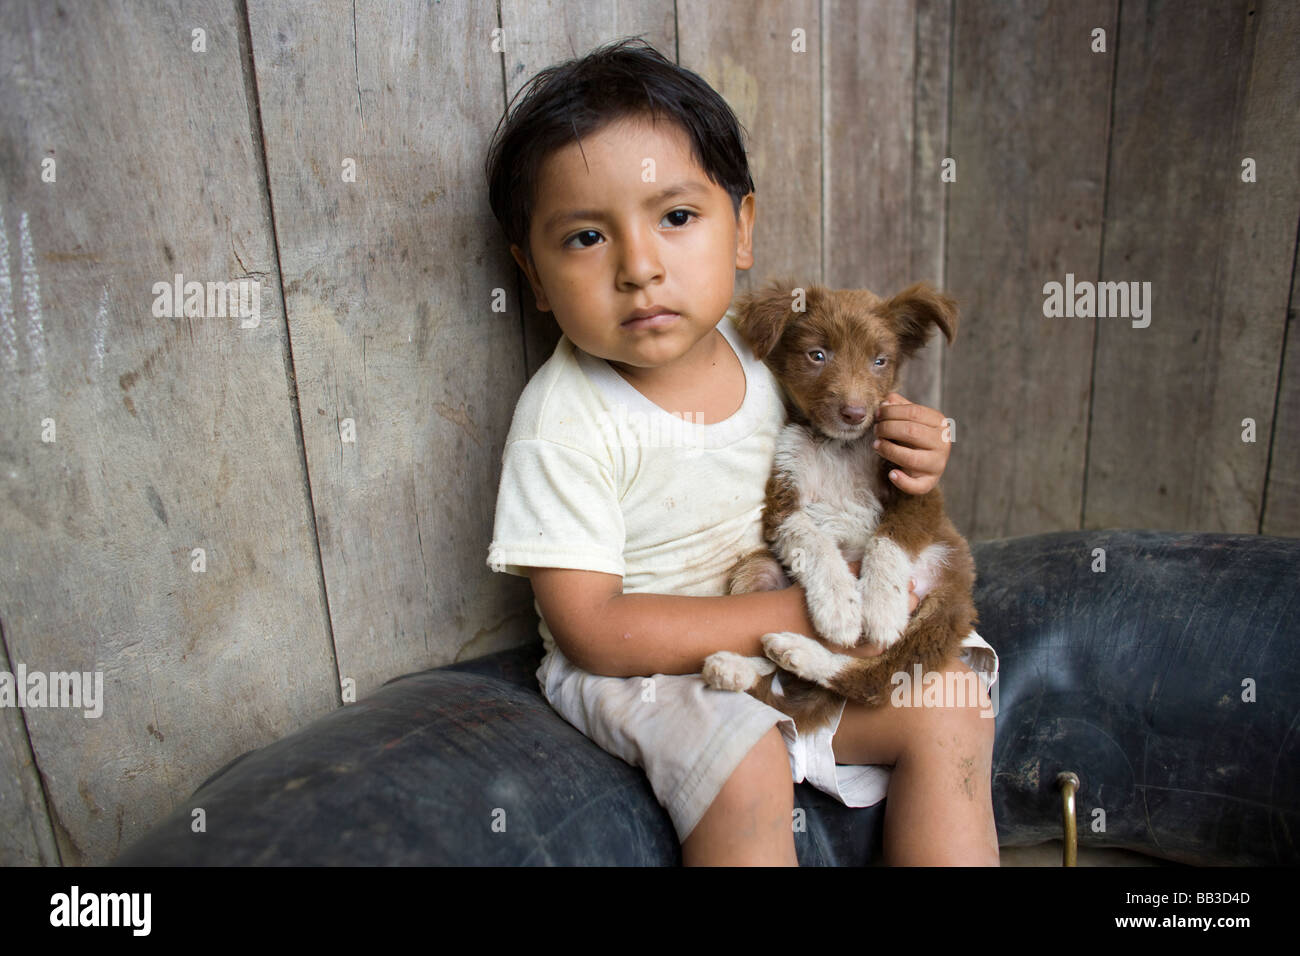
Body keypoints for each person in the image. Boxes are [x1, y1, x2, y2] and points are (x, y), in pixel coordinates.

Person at [483, 37, 999, 866]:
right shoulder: (565, 421)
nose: (640, 268)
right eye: (586, 238)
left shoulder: (773, 353)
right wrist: (791, 617)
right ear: (534, 276)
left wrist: (917, 456)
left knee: (953, 704)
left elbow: (858, 439)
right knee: (747, 765)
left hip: (803, 616)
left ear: (742, 228)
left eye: (677, 217)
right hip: (653, 668)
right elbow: (593, 630)